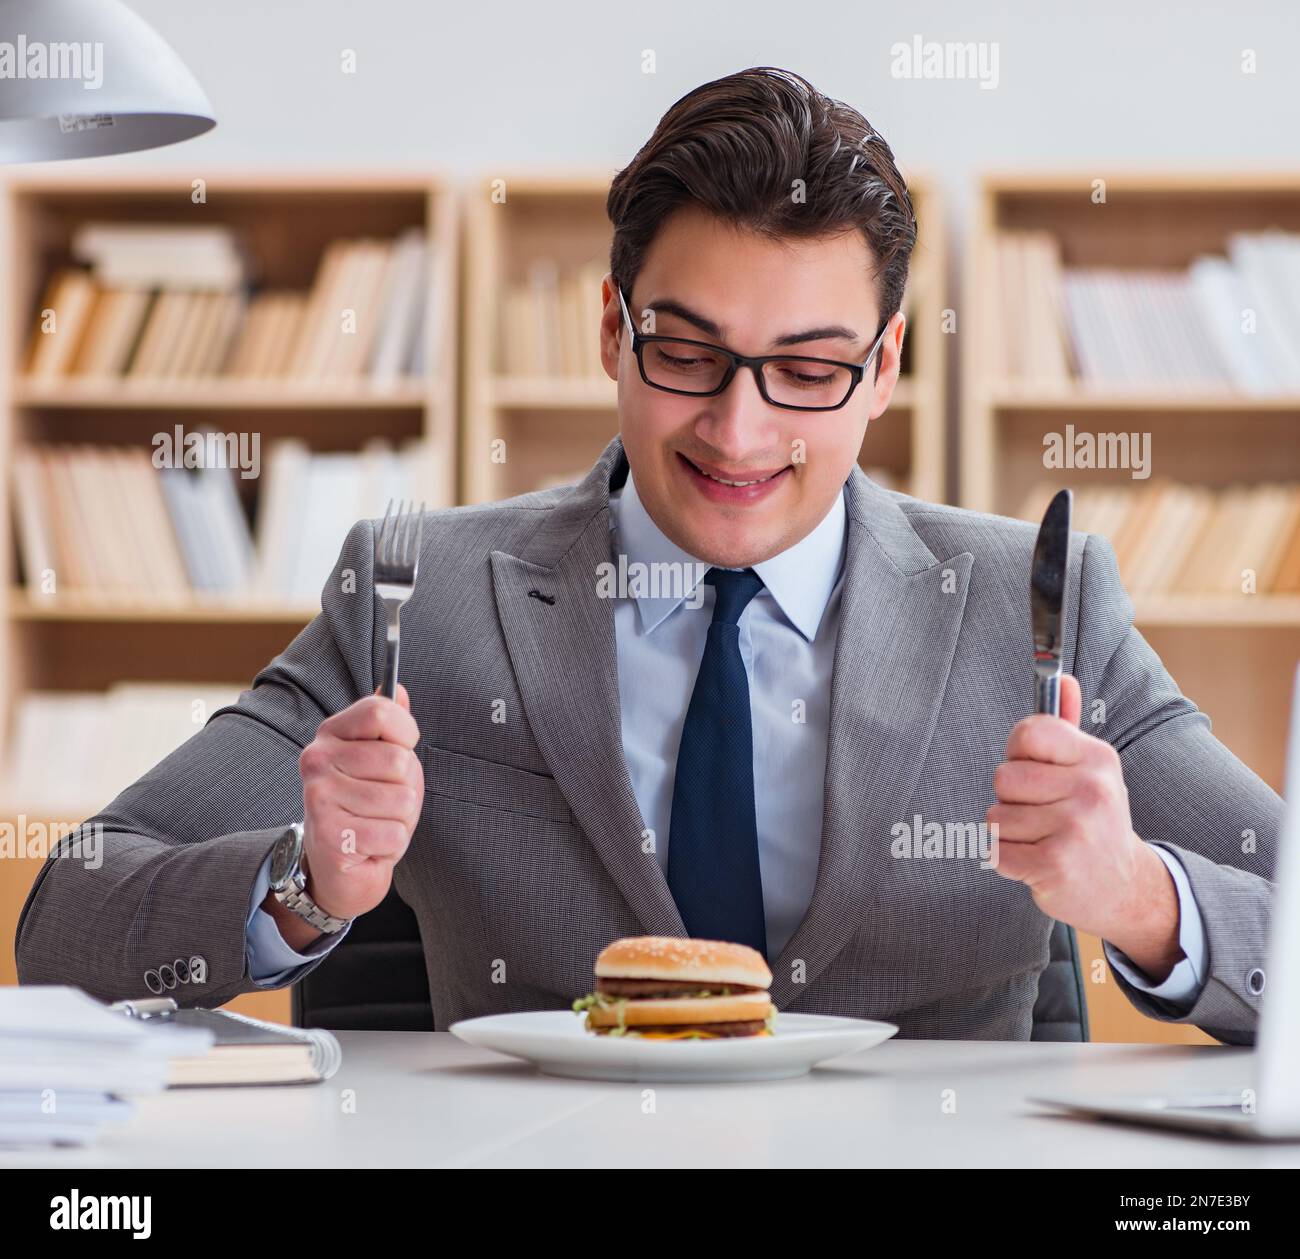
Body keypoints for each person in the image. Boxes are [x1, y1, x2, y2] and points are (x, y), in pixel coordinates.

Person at [16, 67, 1278, 1042]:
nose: (739, 430)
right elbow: (66, 919)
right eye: (686, 352)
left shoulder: (1032, 605)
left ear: (885, 368)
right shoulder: (423, 596)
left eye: (809, 368)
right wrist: (301, 883)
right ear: (610, 331)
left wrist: (1141, 898)